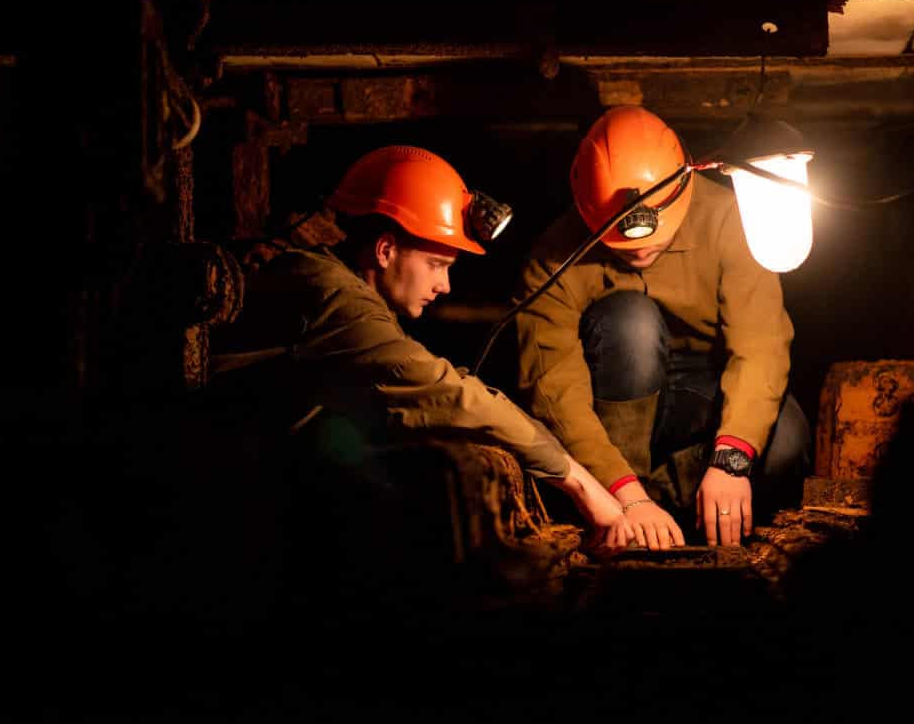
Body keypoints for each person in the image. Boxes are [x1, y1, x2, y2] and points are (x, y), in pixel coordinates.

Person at [207, 145, 634, 557]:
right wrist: (579, 482)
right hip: (228, 500)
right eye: (436, 265)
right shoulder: (335, 300)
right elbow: (449, 392)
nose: (445, 285)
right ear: (386, 250)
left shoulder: (334, 285)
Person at [514, 105, 812, 549]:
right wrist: (622, 493)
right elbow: (553, 388)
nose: (638, 251)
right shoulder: (554, 256)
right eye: (622, 243)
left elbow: (762, 344)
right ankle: (636, 512)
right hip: (616, 386)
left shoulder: (731, 217)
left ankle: (692, 513)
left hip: (704, 385)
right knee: (630, 321)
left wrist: (730, 462)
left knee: (786, 437)